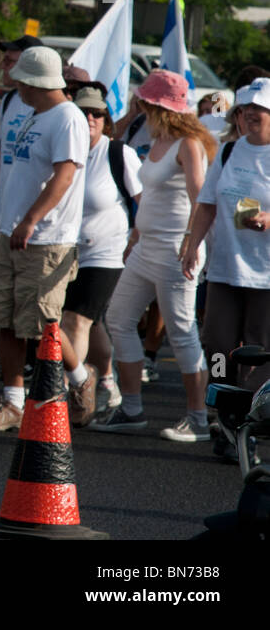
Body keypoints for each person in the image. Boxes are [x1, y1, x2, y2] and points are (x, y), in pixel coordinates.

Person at [93, 70, 214, 441]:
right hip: (147, 246)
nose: (139, 106)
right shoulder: (160, 138)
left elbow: (200, 198)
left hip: (177, 249)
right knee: (119, 317)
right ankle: (131, 409)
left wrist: (191, 244)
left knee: (181, 332)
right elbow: (155, 198)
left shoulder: (188, 144)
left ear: (157, 106)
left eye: (143, 102)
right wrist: (136, 233)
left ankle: (198, 419)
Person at [0, 47, 89, 433]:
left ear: (35, 83)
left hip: (47, 238)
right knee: (5, 319)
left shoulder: (68, 118)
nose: (16, 86)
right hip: (11, 231)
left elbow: (64, 177)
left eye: (21, 80)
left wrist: (30, 221)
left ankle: (81, 380)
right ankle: (12, 402)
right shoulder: (26, 112)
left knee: (42, 325)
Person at [60, 85, 142, 425]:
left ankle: (70, 392)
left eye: (97, 114)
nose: (90, 119)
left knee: (75, 320)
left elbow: (143, 202)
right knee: (89, 324)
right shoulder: (64, 150)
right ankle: (105, 380)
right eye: (83, 113)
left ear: (106, 120)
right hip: (66, 250)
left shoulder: (118, 153)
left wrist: (136, 239)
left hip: (108, 252)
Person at [185, 78, 270, 397]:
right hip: (225, 267)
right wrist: (192, 246)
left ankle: (254, 408)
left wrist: (267, 218)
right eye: (246, 107)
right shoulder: (229, 150)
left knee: (258, 349)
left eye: (260, 107)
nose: (250, 113)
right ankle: (222, 396)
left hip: (264, 274)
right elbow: (207, 205)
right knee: (218, 344)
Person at [0, 34, 42, 294]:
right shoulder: (8, 100)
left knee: (22, 289)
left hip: (28, 211)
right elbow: (3, 151)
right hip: (1, 209)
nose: (4, 66)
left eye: (10, 61)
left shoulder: (45, 105)